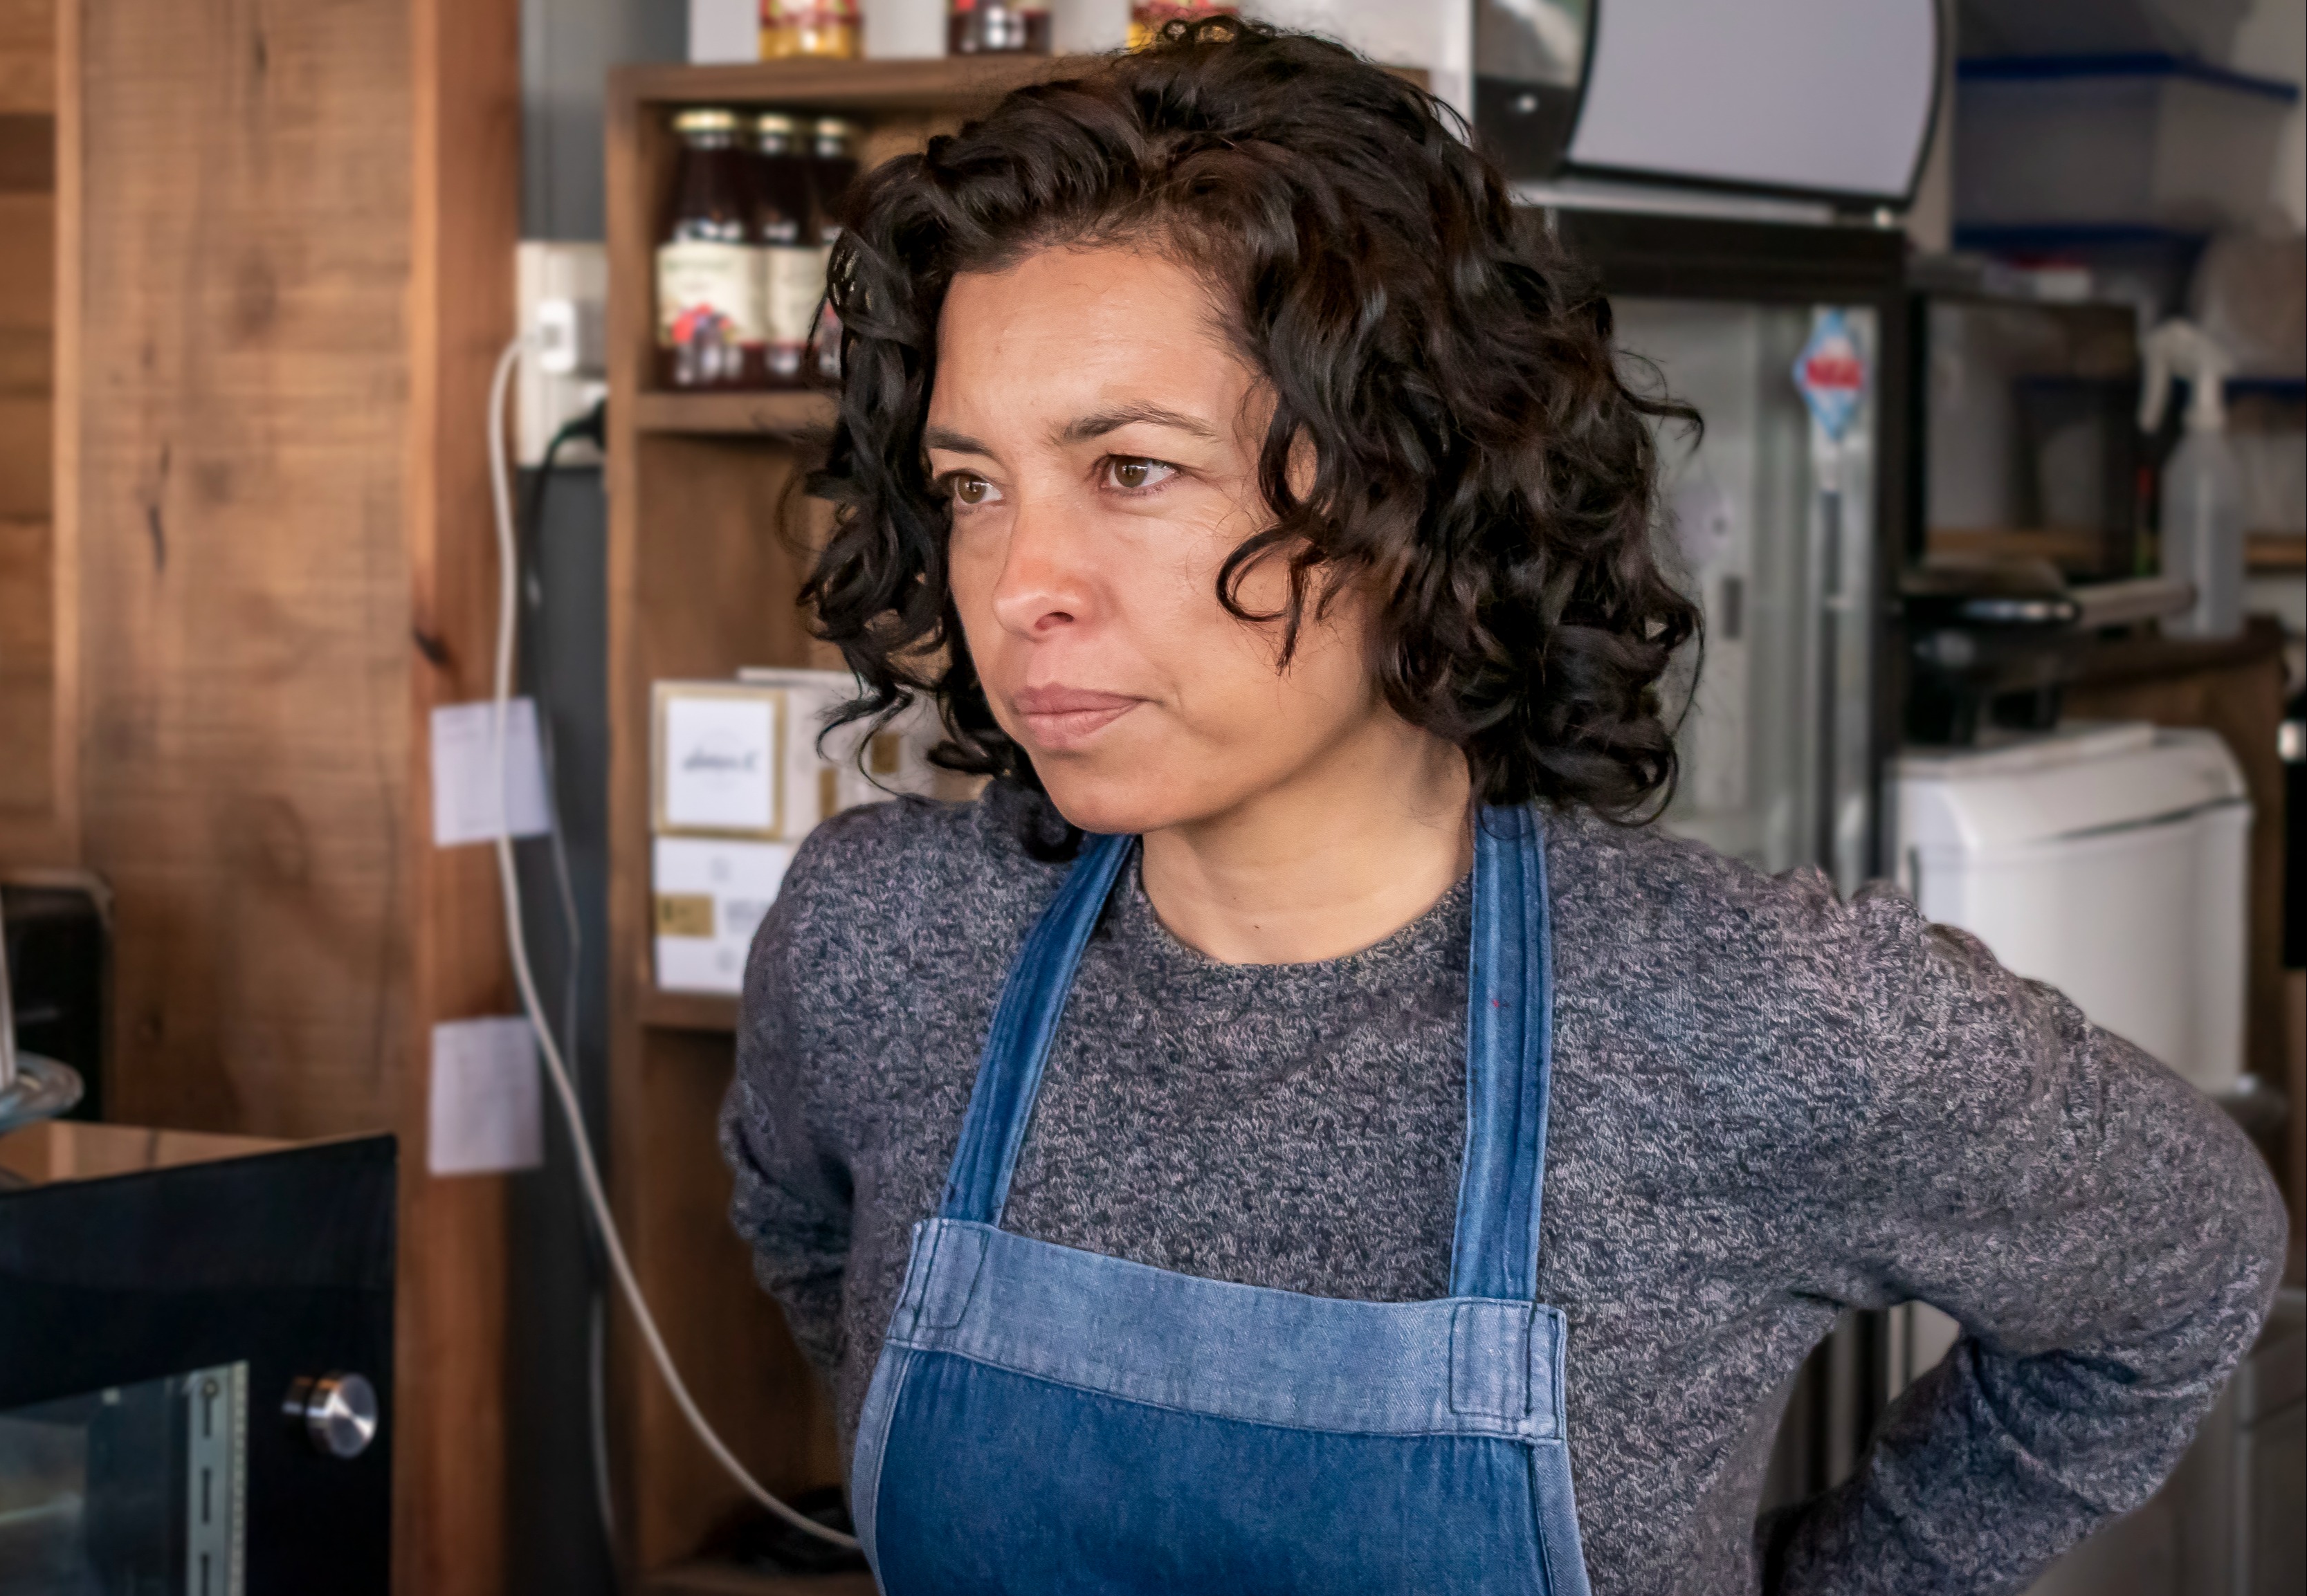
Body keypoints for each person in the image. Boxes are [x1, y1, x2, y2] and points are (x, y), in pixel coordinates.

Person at [719, 22, 2288, 1596]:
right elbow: (806, 1237)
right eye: (973, 484)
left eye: (1131, 469)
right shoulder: (884, 944)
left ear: (1412, 484)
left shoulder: (1761, 1018)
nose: (1021, 586)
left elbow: (2185, 1271)